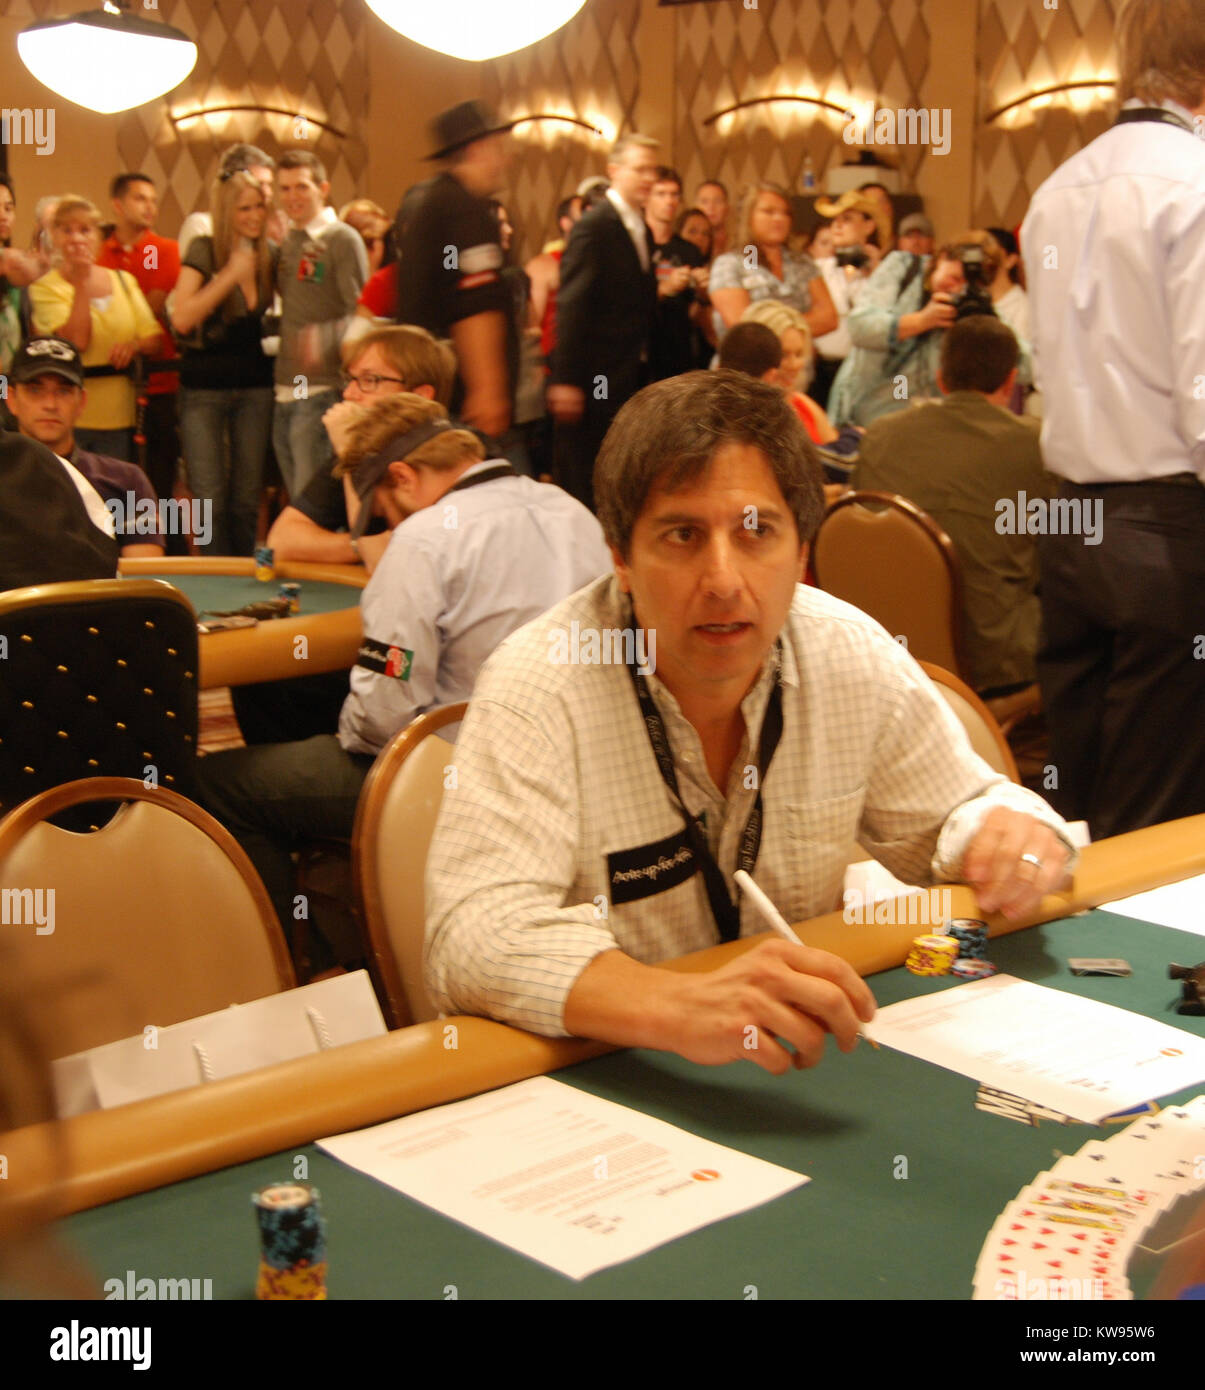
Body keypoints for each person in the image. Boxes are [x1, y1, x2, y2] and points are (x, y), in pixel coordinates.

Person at [425, 370, 1075, 1064]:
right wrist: (673, 1001)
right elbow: (472, 934)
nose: (724, 580)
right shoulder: (537, 685)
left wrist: (1006, 834)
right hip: (619, 1075)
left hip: (799, 1061)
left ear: (800, 553)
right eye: (680, 535)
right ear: (619, 557)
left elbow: (961, 811)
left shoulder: (845, 651)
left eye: (756, 531)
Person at [197, 391, 612, 967]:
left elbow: (383, 718)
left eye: (385, 512)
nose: (391, 526)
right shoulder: (570, 508)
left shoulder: (424, 539)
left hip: (462, 779)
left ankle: (308, 966)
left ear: (403, 477)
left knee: (220, 785)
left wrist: (343, 723)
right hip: (586, 768)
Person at [1020, 0, 1205, 838]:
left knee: (1078, 796)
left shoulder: (1055, 189)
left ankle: (1060, 967)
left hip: (1068, 521)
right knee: (1155, 811)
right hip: (1162, 531)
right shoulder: (1192, 183)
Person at [852, 316, 1053, 696]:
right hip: (993, 662)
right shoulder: (1036, 444)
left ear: (942, 378)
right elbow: (1069, 548)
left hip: (884, 654)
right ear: (1011, 381)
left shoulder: (879, 436)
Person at [267, 325, 455, 568]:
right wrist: (358, 546)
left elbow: (392, 565)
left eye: (369, 380)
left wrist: (349, 454)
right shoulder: (367, 446)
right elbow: (282, 541)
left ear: (421, 395)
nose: (349, 394)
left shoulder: (450, 457)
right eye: (351, 380)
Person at [548, 133, 660, 511]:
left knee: (619, 460)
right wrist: (565, 379)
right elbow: (572, 303)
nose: (648, 177)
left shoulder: (639, 226)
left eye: (653, 170)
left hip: (627, 369)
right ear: (614, 171)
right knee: (591, 464)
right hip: (594, 373)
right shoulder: (594, 226)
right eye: (639, 169)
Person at [170, 169, 278, 555]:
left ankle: (247, 579)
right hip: (203, 388)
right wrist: (229, 276)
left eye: (259, 207)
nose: (253, 216)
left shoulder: (271, 255)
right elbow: (182, 317)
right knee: (209, 497)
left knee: (247, 496)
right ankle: (216, 581)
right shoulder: (204, 248)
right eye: (243, 208)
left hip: (255, 386)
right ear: (225, 210)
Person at [394, 101, 515, 445]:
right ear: (477, 149)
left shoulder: (433, 201)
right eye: (499, 149)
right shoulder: (465, 211)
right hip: (460, 400)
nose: (505, 160)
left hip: (432, 390)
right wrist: (487, 388)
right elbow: (474, 302)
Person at [827, 231, 1008, 428]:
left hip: (924, 428)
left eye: (968, 286)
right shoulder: (904, 266)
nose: (957, 290)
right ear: (942, 258)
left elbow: (1024, 367)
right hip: (863, 417)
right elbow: (859, 327)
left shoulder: (973, 306)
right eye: (954, 278)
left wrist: (987, 320)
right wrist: (922, 320)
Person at [28, 196, 160, 460]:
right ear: (54, 237)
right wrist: (80, 283)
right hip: (70, 419)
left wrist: (133, 346)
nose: (76, 238)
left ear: (98, 236)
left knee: (114, 498)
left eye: (85, 230)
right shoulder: (43, 288)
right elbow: (77, 343)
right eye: (67, 230)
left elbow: (153, 338)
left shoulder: (124, 280)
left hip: (122, 418)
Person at [8, 337, 165, 557]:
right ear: (12, 400)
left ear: (81, 402)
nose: (50, 404)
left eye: (63, 391)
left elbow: (145, 574)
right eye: (35, 390)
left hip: (103, 591)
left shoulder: (126, 480)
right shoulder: (5, 476)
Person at [273, 151, 369, 500]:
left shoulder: (342, 239)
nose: (292, 197)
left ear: (323, 189)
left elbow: (363, 312)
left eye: (301, 187)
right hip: (285, 387)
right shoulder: (290, 241)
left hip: (321, 388)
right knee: (294, 495)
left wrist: (323, 338)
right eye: (284, 189)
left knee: (309, 501)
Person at [96, 173, 181, 508]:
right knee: (114, 478)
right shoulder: (101, 253)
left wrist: (118, 331)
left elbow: (152, 307)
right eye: (140, 199)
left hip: (159, 382)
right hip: (110, 385)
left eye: (153, 200)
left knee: (159, 479)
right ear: (118, 205)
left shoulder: (163, 249)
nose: (150, 207)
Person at [709, 184, 837, 344]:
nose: (779, 219)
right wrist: (798, 327)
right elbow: (744, 328)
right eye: (769, 211)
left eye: (785, 213)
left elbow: (829, 319)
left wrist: (772, 326)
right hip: (747, 366)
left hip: (798, 365)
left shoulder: (801, 262)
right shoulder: (733, 263)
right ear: (748, 217)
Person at [0, 429, 118, 591]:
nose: (50, 405)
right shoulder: (53, 460)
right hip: (87, 609)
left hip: (77, 608)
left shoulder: (51, 462)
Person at [809, 191, 892, 407]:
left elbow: (890, 318)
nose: (837, 225)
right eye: (835, 220)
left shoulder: (886, 273)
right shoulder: (816, 270)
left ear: (868, 226)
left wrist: (875, 271)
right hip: (819, 370)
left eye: (846, 219)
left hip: (866, 371)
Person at [738, 301, 838, 446]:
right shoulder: (739, 415)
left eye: (798, 354)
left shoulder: (803, 404)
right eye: (783, 355)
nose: (794, 365)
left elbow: (837, 456)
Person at [646, 167, 709, 381]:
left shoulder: (689, 251)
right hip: (640, 352)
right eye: (661, 194)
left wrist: (702, 292)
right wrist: (663, 288)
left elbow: (694, 315)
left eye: (674, 195)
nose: (669, 201)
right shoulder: (633, 246)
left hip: (678, 354)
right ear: (647, 197)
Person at [177, 144, 284, 258]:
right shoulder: (202, 226)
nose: (268, 192)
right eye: (259, 184)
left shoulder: (269, 231)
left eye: (269, 185)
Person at [694, 179, 730, 259]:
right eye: (704, 202)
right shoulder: (687, 245)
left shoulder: (743, 245)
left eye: (718, 201)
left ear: (727, 208)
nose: (711, 207)